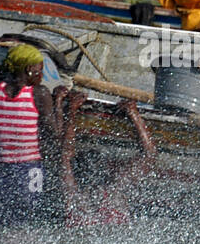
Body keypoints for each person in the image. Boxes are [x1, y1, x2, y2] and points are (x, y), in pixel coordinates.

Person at [0, 44, 65, 227]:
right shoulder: (40, 93)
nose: (42, 74)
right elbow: (55, 134)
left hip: (3, 169)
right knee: (26, 220)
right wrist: (59, 103)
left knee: (3, 219)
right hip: (29, 170)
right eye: (40, 68)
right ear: (29, 69)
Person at [58, 92, 158, 227]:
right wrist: (134, 114)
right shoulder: (115, 191)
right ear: (106, 170)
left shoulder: (73, 195)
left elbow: (65, 153)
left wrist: (71, 110)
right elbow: (150, 154)